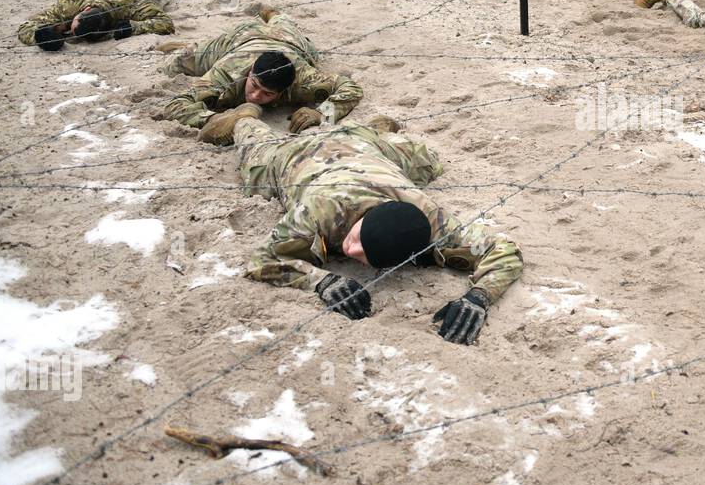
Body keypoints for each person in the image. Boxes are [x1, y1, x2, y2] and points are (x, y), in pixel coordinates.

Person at [223, 112, 522, 344]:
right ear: (359, 220)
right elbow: (262, 259)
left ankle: (373, 130)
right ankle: (244, 119)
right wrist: (321, 281)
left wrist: (479, 297)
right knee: (253, 151)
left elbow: (504, 251)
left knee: (428, 162)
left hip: (364, 146)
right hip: (292, 155)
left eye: (363, 254)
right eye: (355, 238)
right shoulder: (322, 210)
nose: (350, 250)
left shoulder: (434, 222)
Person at [161, 6, 362, 135]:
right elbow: (176, 105)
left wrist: (321, 113)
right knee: (177, 63)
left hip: (287, 41)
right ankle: (185, 44)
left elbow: (350, 88)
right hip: (239, 41)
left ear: (283, 92)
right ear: (250, 73)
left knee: (287, 27)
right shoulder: (226, 74)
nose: (255, 96)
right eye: (254, 85)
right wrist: (215, 119)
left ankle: (274, 16)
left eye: (267, 93)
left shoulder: (303, 79)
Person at [17, 0, 173, 49]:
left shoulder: (126, 4)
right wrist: (42, 37)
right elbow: (27, 26)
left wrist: (133, 27)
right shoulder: (67, 6)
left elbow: (165, 22)